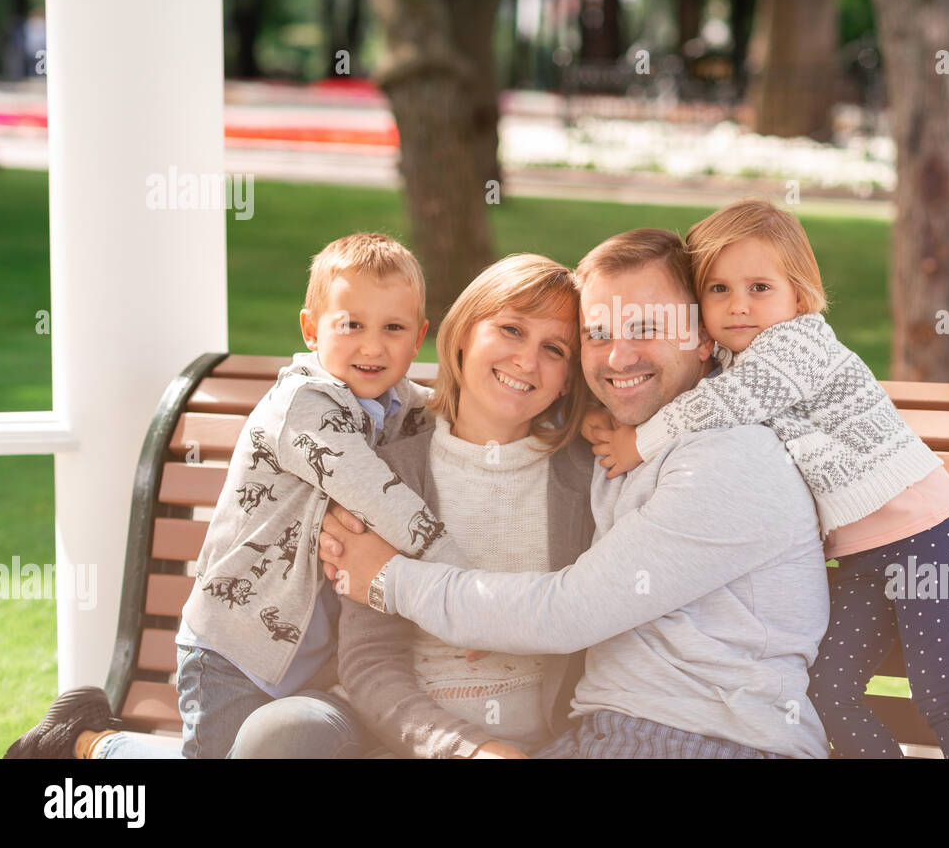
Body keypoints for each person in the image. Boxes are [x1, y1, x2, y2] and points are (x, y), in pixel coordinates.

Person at [319, 228, 831, 759]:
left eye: (648, 327)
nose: (618, 358)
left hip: (707, 742)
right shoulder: (622, 446)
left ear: (704, 338)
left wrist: (385, 577)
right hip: (605, 737)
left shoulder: (729, 460)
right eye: (599, 334)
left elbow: (567, 612)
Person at [7, 232, 466, 759]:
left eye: (393, 328)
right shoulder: (304, 407)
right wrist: (464, 589)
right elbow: (381, 497)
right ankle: (91, 750)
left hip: (312, 662)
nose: (373, 345)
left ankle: (86, 742)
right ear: (311, 329)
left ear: (419, 337)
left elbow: (461, 419)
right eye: (351, 325)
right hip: (233, 652)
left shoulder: (401, 403)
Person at [581, 199, 949, 758]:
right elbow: (678, 385)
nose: (738, 307)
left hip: (930, 535)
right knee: (829, 691)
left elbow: (728, 401)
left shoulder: (798, 346)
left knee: (939, 688)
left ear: (799, 296)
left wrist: (638, 441)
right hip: (862, 554)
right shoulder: (729, 361)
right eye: (718, 290)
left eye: (760, 288)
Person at [230, 253, 594, 759]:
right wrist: (465, 748)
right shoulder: (389, 477)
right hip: (406, 740)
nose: (526, 362)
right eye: (511, 330)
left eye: (554, 349)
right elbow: (371, 661)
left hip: (546, 746)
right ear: (463, 333)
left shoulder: (590, 477)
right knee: (283, 734)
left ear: (571, 378)